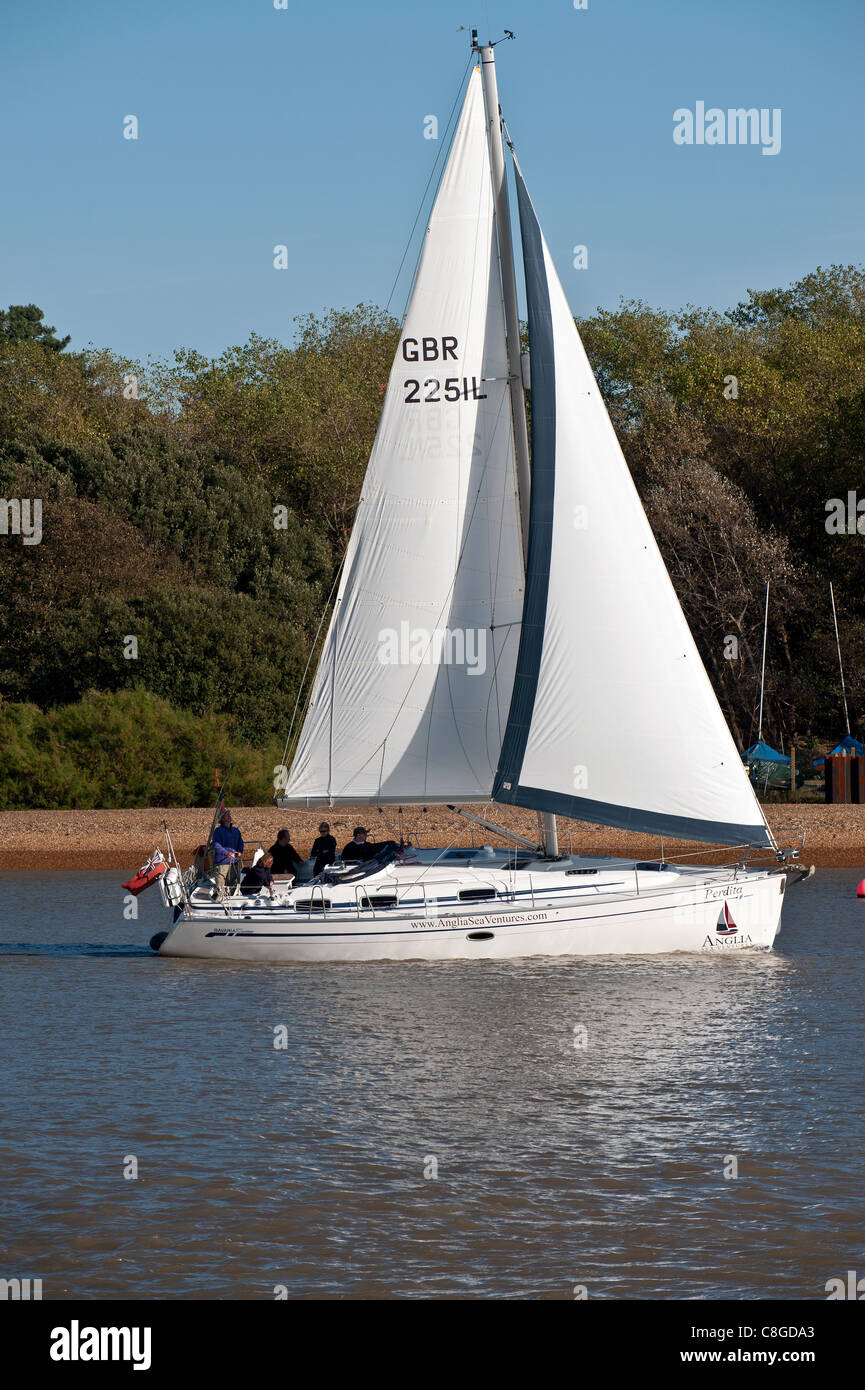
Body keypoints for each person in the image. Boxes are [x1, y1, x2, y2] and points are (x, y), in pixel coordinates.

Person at [212, 809, 244, 895]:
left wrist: (240, 851)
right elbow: (216, 845)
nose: (229, 816)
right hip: (222, 863)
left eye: (229, 814)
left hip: (234, 862)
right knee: (220, 885)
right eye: (227, 815)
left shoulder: (236, 830)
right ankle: (219, 902)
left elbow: (240, 842)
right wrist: (226, 853)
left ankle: (232, 902)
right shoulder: (218, 831)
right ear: (222, 818)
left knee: (233, 885)